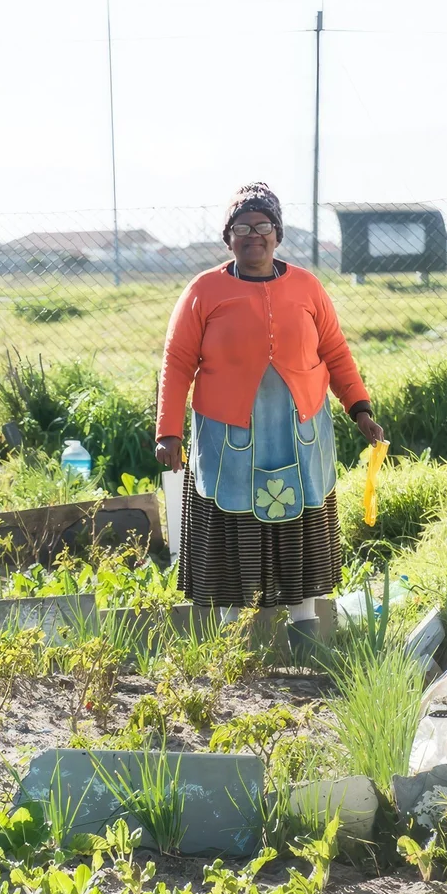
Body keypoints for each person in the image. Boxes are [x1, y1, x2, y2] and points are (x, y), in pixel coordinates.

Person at [155, 183, 385, 661]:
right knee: (228, 523)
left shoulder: (306, 286)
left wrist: (359, 408)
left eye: (262, 227)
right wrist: (169, 433)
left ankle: (305, 641)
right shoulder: (204, 291)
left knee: (298, 520)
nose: (253, 236)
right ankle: (231, 650)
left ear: (277, 234)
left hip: (297, 431)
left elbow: (335, 351)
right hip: (228, 435)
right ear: (228, 238)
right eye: (242, 228)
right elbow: (177, 362)